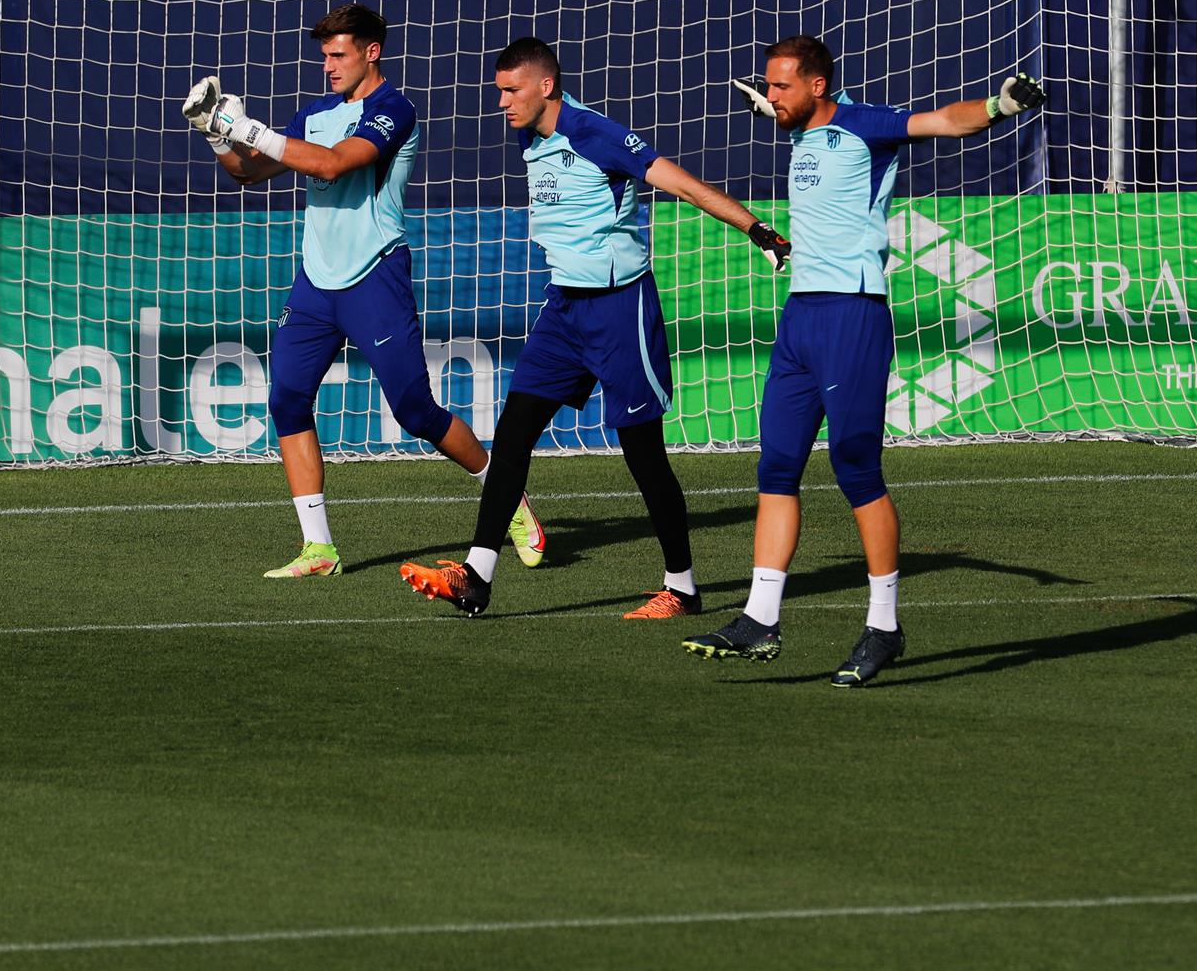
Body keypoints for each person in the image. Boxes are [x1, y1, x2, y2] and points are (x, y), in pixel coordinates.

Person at [682, 35, 1044, 685]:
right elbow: (787, 116)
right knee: (778, 464)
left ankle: (884, 626)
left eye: (782, 85)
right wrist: (777, 109)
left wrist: (998, 105)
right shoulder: (800, 124)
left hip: (853, 314)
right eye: (769, 85)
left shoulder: (864, 125)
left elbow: (938, 122)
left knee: (855, 468)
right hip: (800, 319)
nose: (771, 96)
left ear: (818, 86)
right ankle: (761, 619)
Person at [398, 37, 791, 618]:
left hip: (619, 308)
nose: (501, 103)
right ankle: (477, 575)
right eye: (499, 91)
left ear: (546, 87)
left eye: (511, 91)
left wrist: (756, 229)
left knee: (643, 454)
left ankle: (681, 587)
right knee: (512, 435)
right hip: (564, 313)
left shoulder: (596, 134)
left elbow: (676, 180)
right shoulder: (531, 134)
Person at [183, 3, 543, 578]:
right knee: (286, 399)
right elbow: (249, 172)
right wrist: (213, 133)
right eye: (324, 55)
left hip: (375, 276)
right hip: (315, 283)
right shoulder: (317, 112)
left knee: (416, 412)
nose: (327, 65)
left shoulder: (393, 109)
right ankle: (319, 548)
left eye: (337, 54)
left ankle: (510, 500)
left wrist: (244, 126)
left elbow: (331, 167)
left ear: (371, 52)